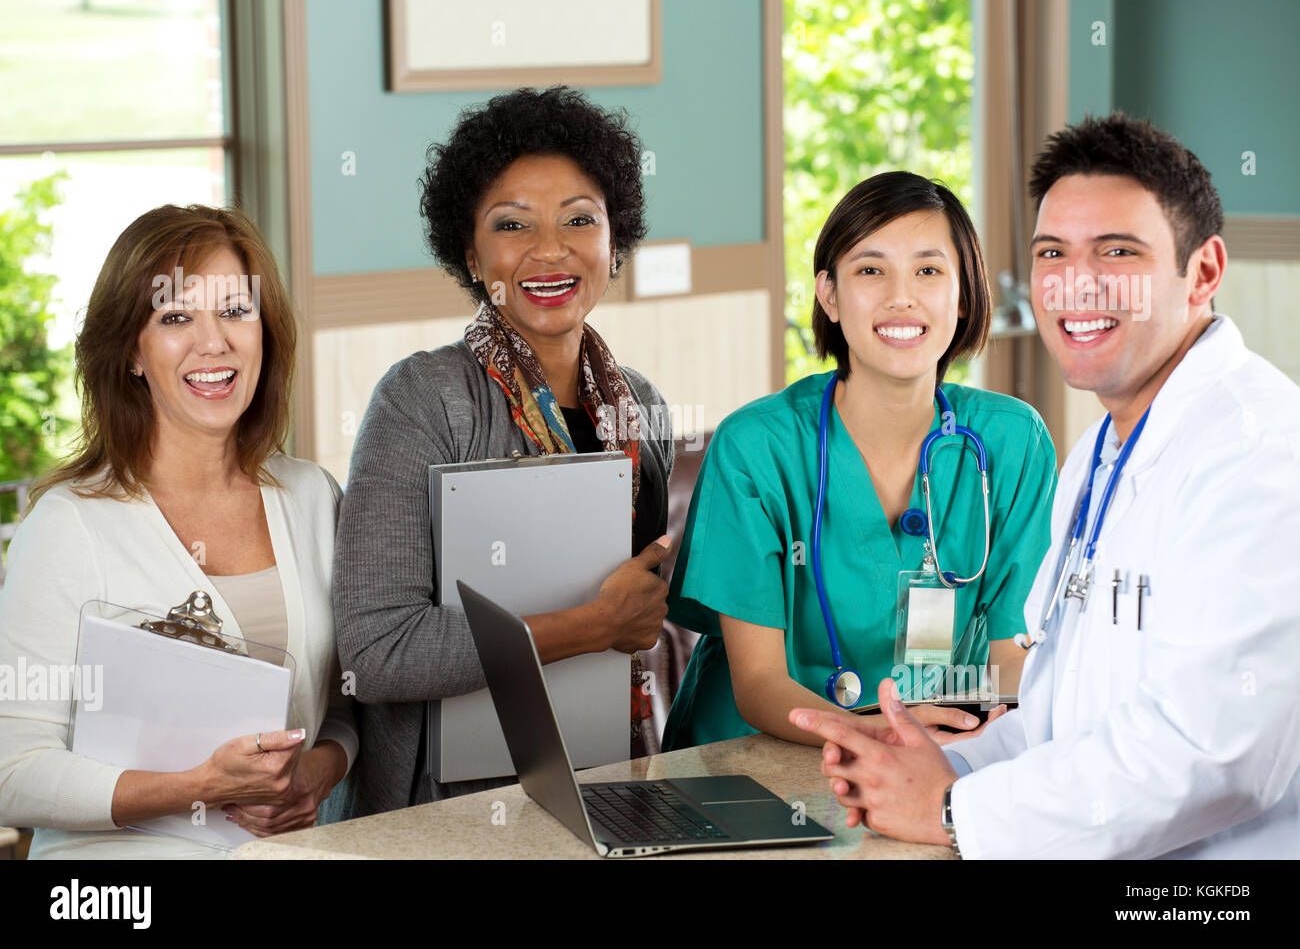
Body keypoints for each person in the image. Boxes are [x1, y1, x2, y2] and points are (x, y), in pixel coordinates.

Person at [792, 113, 1300, 859]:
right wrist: (938, 770)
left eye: (1117, 251)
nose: (1076, 283)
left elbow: (1219, 755)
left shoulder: (1261, 454)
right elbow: (1062, 718)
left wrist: (955, 812)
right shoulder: (1101, 453)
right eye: (1052, 252)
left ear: (1205, 272)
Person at [333, 86, 676, 816]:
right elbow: (378, 651)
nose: (550, 251)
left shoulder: (639, 408)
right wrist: (592, 628)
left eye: (580, 220)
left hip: (609, 780)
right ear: (470, 251)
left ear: (616, 241)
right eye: (513, 224)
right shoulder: (422, 400)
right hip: (451, 805)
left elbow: (649, 604)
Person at [0, 205, 357, 858]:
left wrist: (318, 769)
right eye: (174, 318)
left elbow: (344, 703)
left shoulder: (311, 497)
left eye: (235, 311)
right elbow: (12, 774)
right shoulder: (67, 525)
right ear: (131, 352)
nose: (212, 342)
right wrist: (196, 786)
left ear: (265, 333)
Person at [662, 172, 1058, 751]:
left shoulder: (1012, 441)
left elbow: (1012, 659)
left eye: (928, 270)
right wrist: (883, 735)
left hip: (930, 756)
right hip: (751, 762)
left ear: (963, 294)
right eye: (871, 270)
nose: (902, 296)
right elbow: (758, 683)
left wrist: (983, 753)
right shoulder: (756, 446)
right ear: (829, 295)